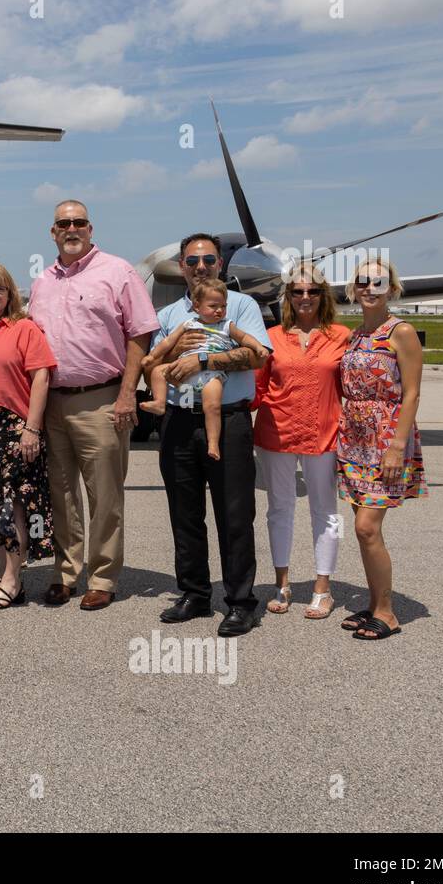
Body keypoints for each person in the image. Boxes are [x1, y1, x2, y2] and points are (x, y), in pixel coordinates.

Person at [28, 200, 157, 611]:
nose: (71, 228)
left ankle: (102, 576)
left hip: (102, 398)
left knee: (104, 495)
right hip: (53, 403)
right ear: (52, 232)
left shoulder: (118, 273)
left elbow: (140, 336)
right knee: (62, 495)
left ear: (89, 227)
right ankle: (65, 573)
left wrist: (127, 394)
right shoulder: (41, 282)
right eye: (63, 223)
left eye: (78, 222)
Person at [153, 232, 271, 637]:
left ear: (220, 263)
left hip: (229, 417)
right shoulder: (170, 315)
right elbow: (157, 360)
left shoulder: (241, 306)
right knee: (184, 513)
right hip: (179, 419)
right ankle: (195, 594)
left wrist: (204, 357)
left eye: (208, 260)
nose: (200, 267)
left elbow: (258, 355)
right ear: (181, 267)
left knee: (235, 513)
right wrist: (171, 356)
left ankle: (240, 602)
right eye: (191, 261)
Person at [337, 257, 427, 640]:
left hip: (387, 438)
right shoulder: (354, 335)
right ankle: (375, 603)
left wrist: (397, 446)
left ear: (392, 288)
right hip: (353, 438)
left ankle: (388, 613)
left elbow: (412, 394)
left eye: (379, 282)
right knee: (364, 532)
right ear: (353, 289)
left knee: (366, 527)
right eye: (362, 282)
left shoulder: (400, 332)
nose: (370, 288)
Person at [253, 262, 350, 619]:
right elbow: (257, 387)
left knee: (326, 511)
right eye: (298, 291)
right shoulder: (271, 336)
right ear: (288, 297)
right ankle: (282, 583)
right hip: (276, 432)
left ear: (323, 296)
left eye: (312, 291)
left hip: (324, 433)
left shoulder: (342, 335)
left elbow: (350, 387)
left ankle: (323, 588)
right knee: (280, 507)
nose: (305, 297)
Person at [0, 263, 58, 610]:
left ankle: (14, 579)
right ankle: (6, 574)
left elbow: (42, 378)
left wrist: (32, 428)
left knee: (13, 506)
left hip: (15, 428)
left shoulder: (24, 329)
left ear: (10, 294)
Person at [140, 278, 269, 460]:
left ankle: (213, 443)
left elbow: (245, 338)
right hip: (183, 377)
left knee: (212, 406)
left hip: (211, 375)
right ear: (196, 307)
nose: (219, 310)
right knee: (157, 372)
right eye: (213, 306)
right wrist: (152, 357)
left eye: (223, 306)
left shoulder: (226, 325)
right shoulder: (187, 324)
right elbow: (167, 342)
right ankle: (160, 403)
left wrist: (258, 347)